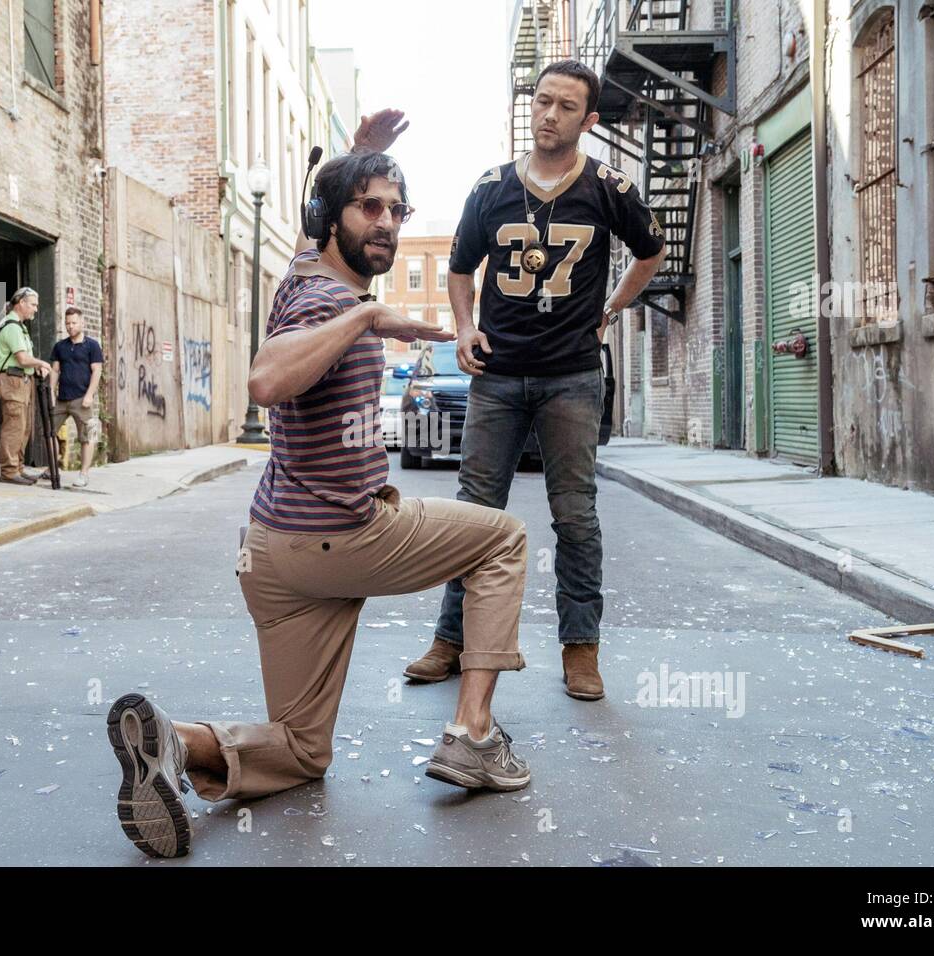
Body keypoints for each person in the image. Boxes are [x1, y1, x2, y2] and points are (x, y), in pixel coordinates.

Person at [107, 117, 535, 860]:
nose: (388, 223)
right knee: (502, 537)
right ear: (331, 218)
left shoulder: (305, 270)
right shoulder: (330, 303)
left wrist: (351, 155)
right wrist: (370, 315)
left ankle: (174, 744)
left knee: (304, 751)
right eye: (369, 207)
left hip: (275, 555)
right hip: (341, 536)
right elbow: (268, 378)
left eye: (397, 211)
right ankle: (472, 736)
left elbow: (316, 240)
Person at [405, 60, 667, 701]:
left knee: (575, 517)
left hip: (572, 378)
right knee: (473, 512)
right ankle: (451, 640)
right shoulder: (491, 187)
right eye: (542, 101)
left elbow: (652, 251)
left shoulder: (610, 187)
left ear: (588, 120)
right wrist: (464, 328)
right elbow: (461, 268)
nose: (548, 114)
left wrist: (612, 308)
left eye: (565, 106)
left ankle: (581, 649)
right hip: (497, 377)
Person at [0, 287, 52, 486]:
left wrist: (35, 369)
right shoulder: (12, 327)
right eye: (33, 304)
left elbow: (24, 361)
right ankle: (8, 472)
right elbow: (22, 358)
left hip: (22, 381)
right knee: (14, 427)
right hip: (12, 381)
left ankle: (17, 468)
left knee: (23, 428)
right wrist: (41, 364)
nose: (35, 309)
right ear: (21, 303)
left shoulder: (20, 327)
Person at [48, 306, 103, 488]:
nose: (70, 326)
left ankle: (84, 474)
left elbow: (97, 371)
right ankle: (52, 468)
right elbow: (55, 371)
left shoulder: (92, 346)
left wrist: (89, 395)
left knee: (86, 437)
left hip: (82, 399)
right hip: (62, 399)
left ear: (82, 323)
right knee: (49, 432)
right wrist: (51, 392)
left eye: (74, 323)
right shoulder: (60, 347)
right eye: (68, 323)